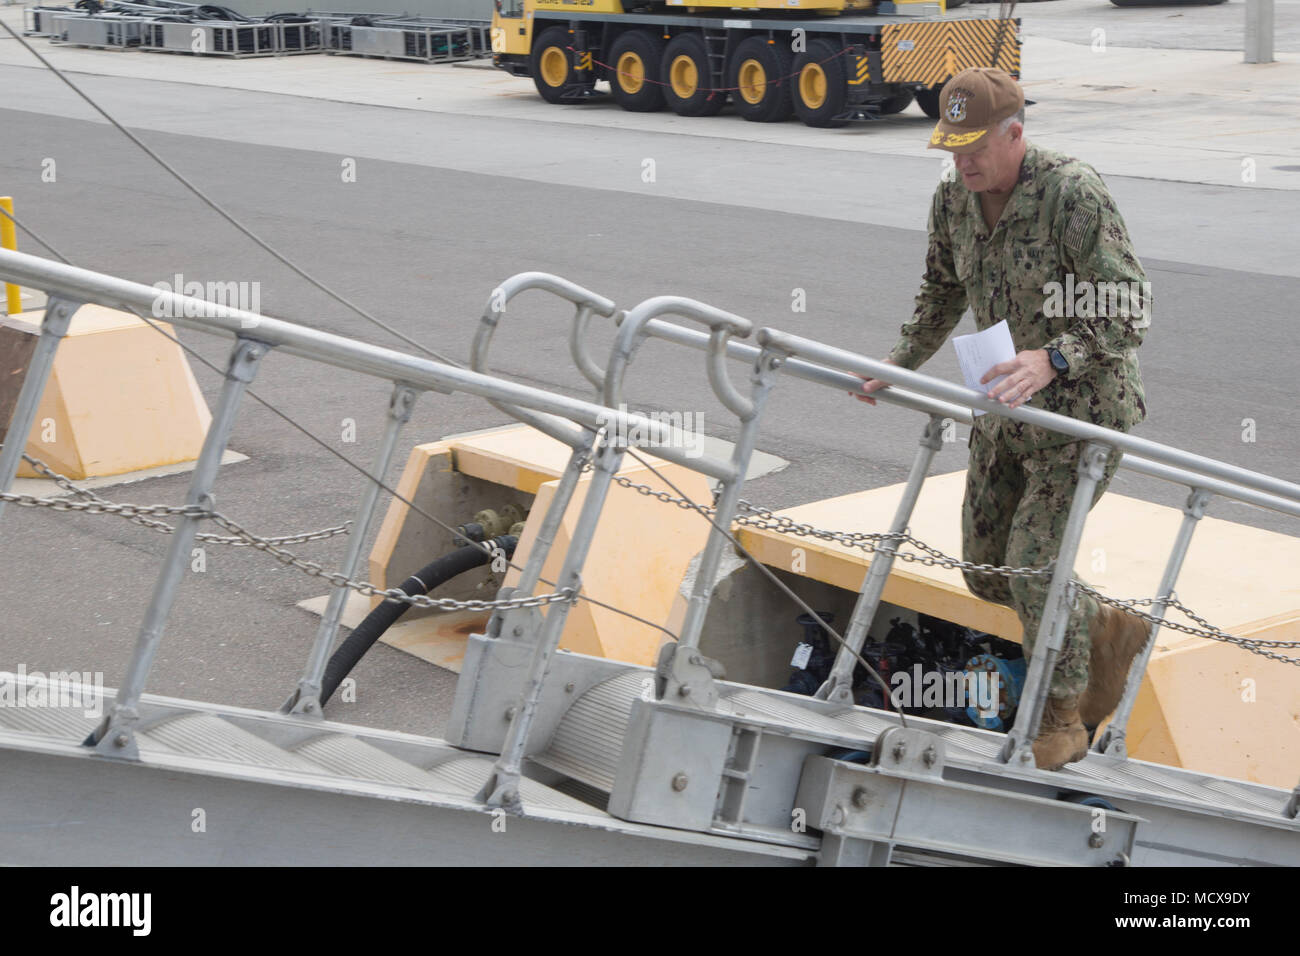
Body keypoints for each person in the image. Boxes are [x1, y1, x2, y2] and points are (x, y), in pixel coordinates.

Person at [854, 68, 1152, 770]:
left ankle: (1060, 721)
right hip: (1004, 411)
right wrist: (896, 363)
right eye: (950, 147)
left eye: (974, 148)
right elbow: (941, 289)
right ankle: (1104, 627)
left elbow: (1130, 304)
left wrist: (1055, 357)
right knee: (986, 570)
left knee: (1031, 568)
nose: (961, 162)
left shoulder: (1070, 193)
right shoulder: (954, 197)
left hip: (1081, 415)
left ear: (1016, 134)